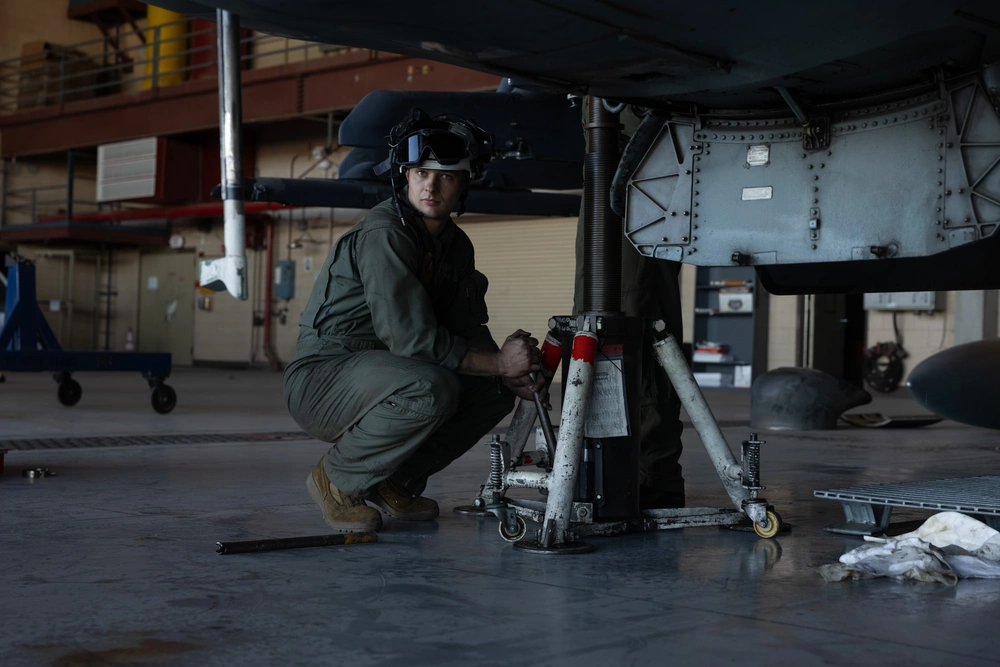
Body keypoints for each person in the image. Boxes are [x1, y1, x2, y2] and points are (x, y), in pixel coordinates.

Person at [284, 108, 546, 533]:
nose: (431, 185)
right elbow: (410, 339)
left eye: (446, 175)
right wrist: (499, 361)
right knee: (430, 388)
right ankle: (336, 480)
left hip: (385, 371)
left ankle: (393, 479)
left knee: (492, 391)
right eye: (421, 172)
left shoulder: (455, 245)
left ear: (464, 183)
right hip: (324, 376)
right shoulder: (385, 233)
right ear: (405, 175)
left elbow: (466, 329)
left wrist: (508, 371)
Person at [573, 103, 685, 509]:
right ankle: (627, 473)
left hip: (641, 139)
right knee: (613, 305)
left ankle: (641, 475)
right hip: (622, 139)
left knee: (634, 306)